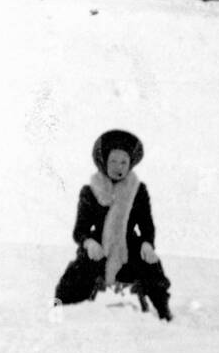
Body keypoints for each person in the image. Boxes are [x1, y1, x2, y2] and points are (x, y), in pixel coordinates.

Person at [54, 129, 172, 321]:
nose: (119, 167)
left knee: (152, 267)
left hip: (129, 249)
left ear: (131, 164)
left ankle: (164, 315)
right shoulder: (90, 191)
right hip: (99, 247)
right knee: (76, 275)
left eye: (124, 162)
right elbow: (80, 230)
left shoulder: (138, 190)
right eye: (114, 161)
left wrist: (147, 244)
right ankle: (59, 311)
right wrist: (89, 243)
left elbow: (146, 226)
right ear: (104, 162)